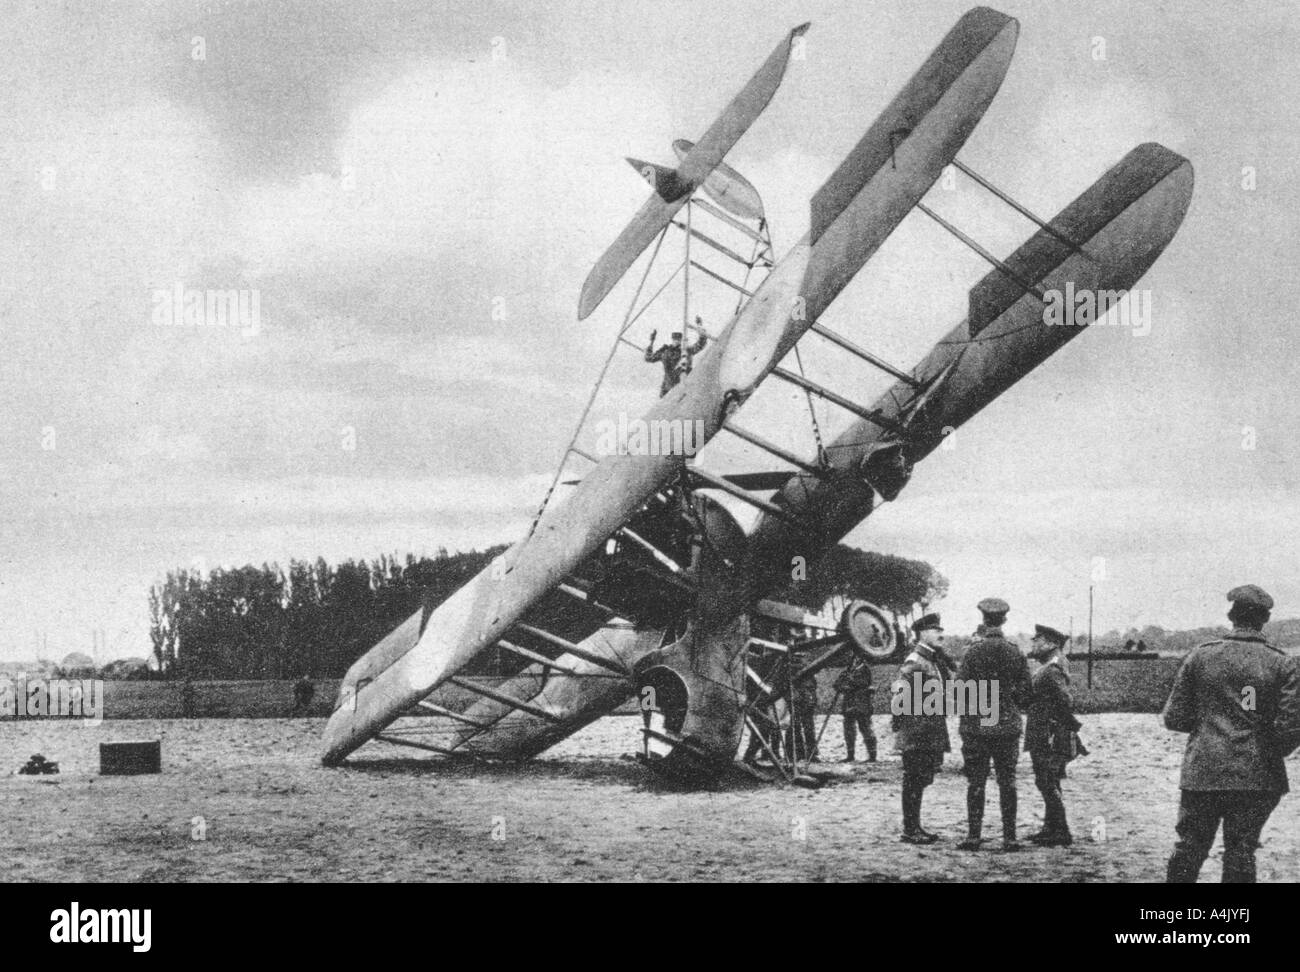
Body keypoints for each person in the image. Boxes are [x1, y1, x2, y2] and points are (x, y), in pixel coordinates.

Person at [1163, 585, 1300, 883]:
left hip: (1204, 771)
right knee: (1241, 851)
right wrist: (1262, 749)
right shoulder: (1281, 662)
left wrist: (1210, 725)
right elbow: (1291, 726)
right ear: (1264, 619)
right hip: (1257, 776)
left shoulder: (1200, 657)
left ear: (1230, 615)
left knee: (1190, 847)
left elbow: (1174, 718)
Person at [956, 597, 1032, 851]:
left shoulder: (972, 652)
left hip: (976, 726)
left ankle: (973, 836)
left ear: (983, 620)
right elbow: (1025, 694)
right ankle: (1010, 837)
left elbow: (960, 690)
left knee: (976, 782)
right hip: (1007, 726)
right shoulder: (1015, 651)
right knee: (1007, 781)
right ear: (1004, 621)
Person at [893, 613, 952, 843]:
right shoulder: (915, 661)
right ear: (922, 633)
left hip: (929, 730)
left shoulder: (931, 661)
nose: (941, 634)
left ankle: (915, 826)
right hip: (917, 731)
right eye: (935, 630)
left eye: (940, 629)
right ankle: (910, 829)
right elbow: (901, 697)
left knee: (922, 779)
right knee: (914, 779)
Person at [1024, 624, 1081, 846]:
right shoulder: (1049, 666)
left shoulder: (1052, 668)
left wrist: (1057, 723)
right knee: (1048, 780)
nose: (1033, 643)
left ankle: (1061, 830)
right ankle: (1051, 827)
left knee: (1046, 780)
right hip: (1046, 730)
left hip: (1048, 732)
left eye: (1037, 639)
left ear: (1051, 643)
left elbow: (1064, 701)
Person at [644, 320, 708, 397]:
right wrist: (651, 342)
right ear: (672, 340)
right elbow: (649, 358)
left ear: (680, 340)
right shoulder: (665, 352)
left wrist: (700, 327)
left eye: (678, 340)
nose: (676, 341)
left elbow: (699, 345)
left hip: (683, 385)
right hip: (668, 388)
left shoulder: (685, 350)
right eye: (675, 340)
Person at [835, 658, 877, 762]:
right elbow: (836, 684)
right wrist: (844, 687)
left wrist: (849, 684)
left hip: (862, 704)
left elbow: (863, 683)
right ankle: (850, 755)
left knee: (866, 729)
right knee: (849, 731)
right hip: (849, 703)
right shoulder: (847, 671)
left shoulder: (865, 670)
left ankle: (872, 755)